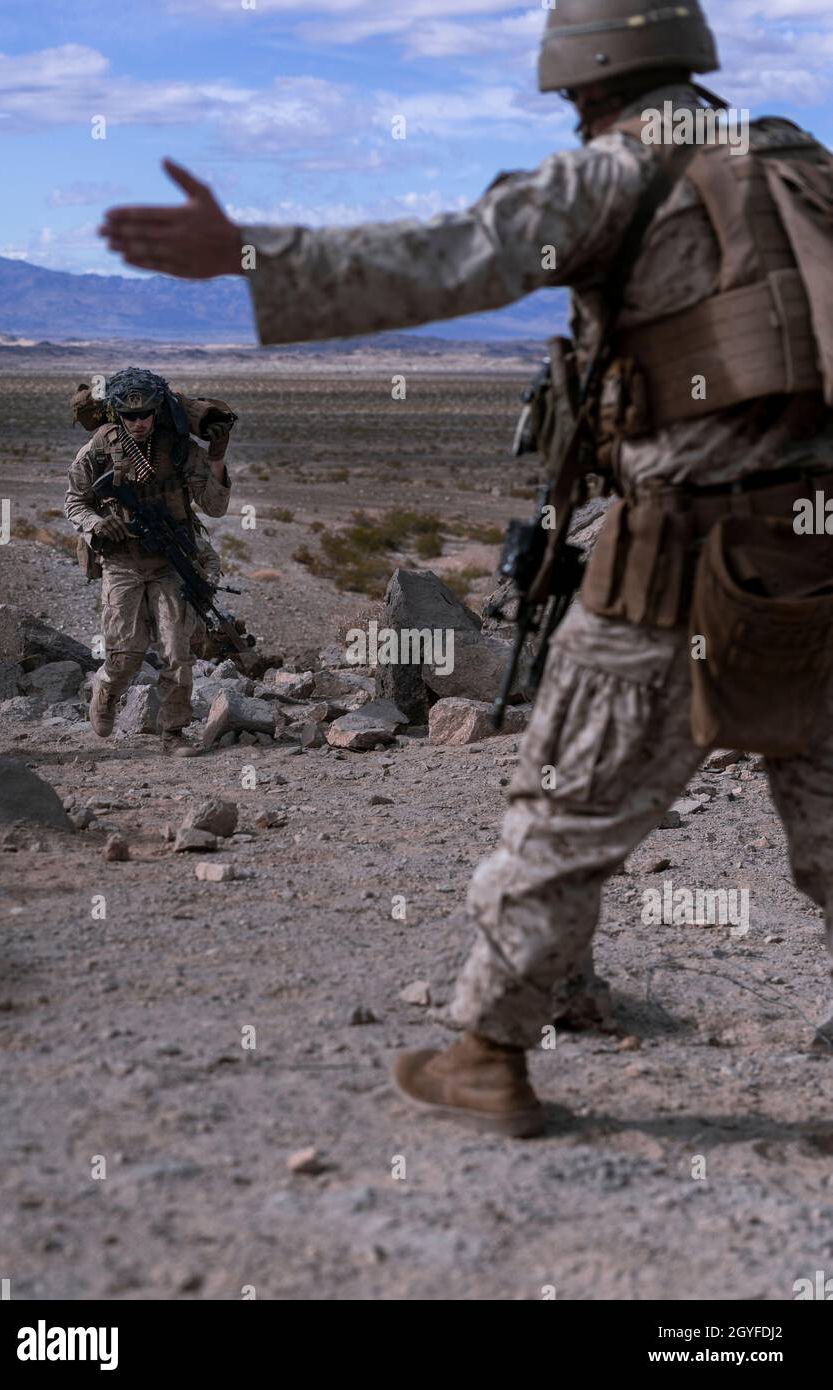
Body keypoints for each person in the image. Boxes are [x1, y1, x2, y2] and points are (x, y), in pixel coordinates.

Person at [99, 1, 833, 1133]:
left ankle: (490, 1054)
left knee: (562, 808)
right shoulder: (800, 166)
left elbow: (445, 256)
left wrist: (247, 251)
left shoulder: (614, 176)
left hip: (688, 560)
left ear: (586, 81)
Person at [65, 367, 233, 756]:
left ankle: (172, 733)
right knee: (126, 655)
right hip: (121, 562)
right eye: (128, 417)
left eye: (144, 416)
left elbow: (214, 506)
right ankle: (105, 691)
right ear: (116, 415)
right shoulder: (100, 447)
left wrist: (217, 460)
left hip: (170, 562)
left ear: (157, 411)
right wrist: (96, 523)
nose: (137, 423)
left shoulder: (177, 448)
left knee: (177, 652)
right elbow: (75, 500)